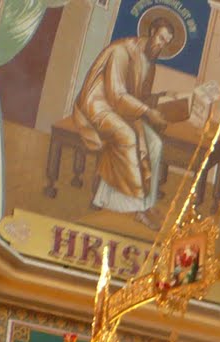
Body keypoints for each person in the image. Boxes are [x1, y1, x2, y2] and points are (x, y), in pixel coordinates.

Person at [69, 10, 179, 223]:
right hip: (98, 106)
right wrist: (148, 112)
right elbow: (117, 95)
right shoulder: (122, 50)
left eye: (166, 42)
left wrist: (164, 98)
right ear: (152, 31)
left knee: (154, 143)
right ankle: (134, 207)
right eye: (161, 38)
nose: (162, 45)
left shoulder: (150, 63)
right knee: (127, 137)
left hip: (123, 110)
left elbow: (141, 98)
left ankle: (139, 202)